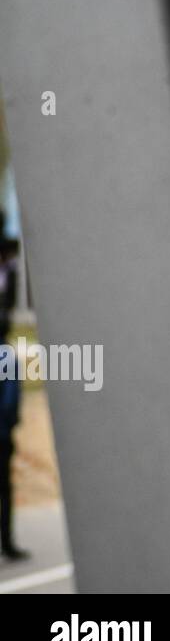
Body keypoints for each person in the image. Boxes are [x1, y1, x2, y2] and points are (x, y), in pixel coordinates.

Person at [0, 232, 30, 562]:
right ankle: (7, 543)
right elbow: (10, 403)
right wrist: (9, 427)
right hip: (0, 434)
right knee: (5, 490)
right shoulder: (7, 357)